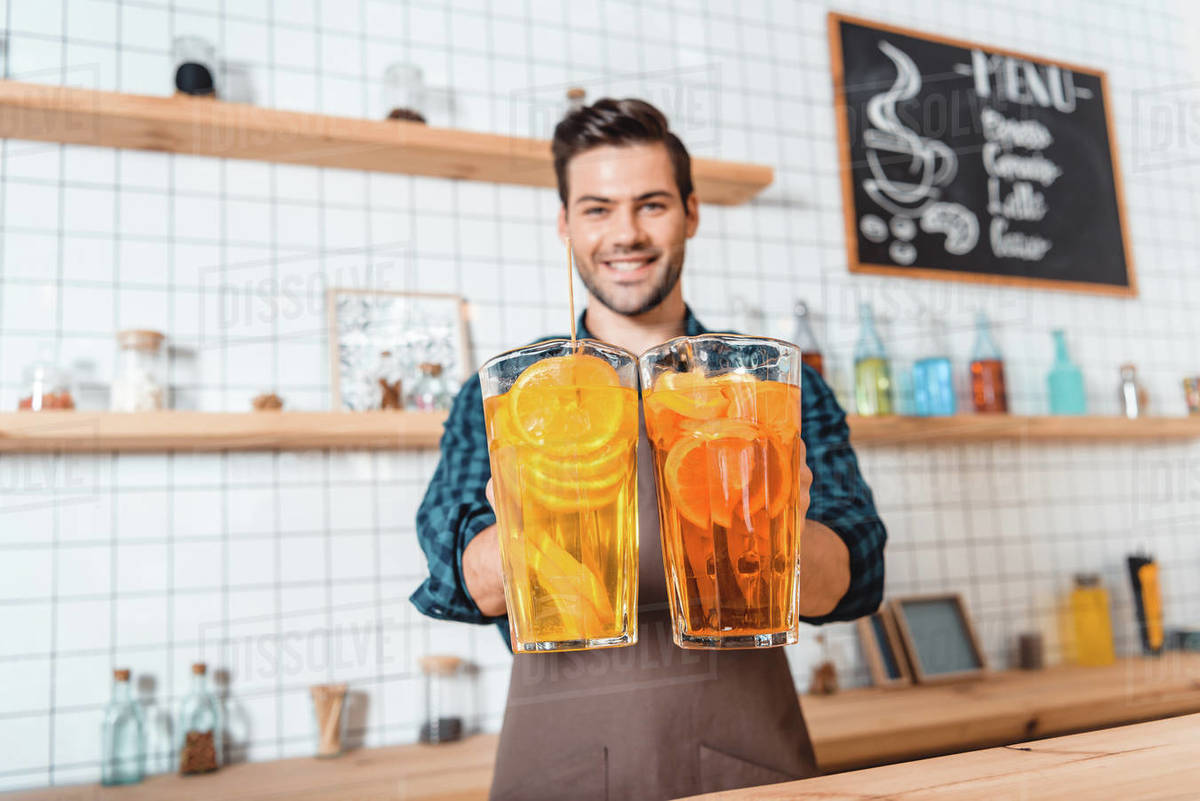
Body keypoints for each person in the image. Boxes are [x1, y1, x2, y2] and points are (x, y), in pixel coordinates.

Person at [412, 98, 886, 801]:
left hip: (749, 766)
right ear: (565, 224)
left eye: (652, 204)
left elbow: (857, 574)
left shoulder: (771, 384)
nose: (625, 233)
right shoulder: (513, 395)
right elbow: (461, 580)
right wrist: (530, 508)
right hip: (554, 772)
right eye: (598, 208)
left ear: (692, 213)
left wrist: (771, 510)